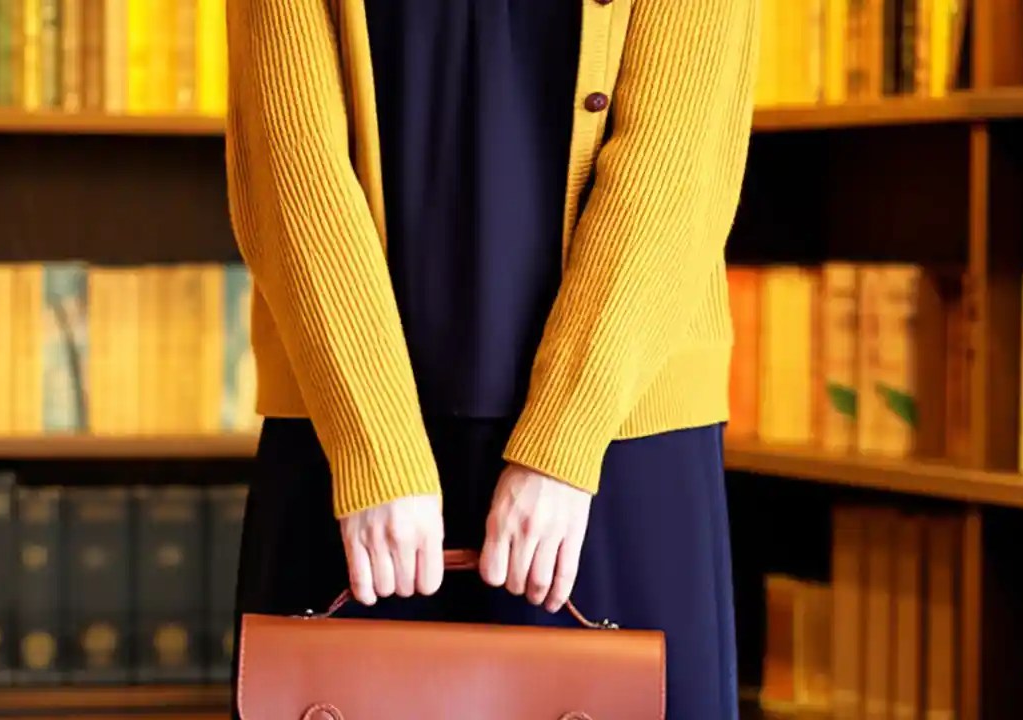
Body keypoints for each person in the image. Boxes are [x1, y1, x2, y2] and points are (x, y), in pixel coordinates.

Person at [222, 0, 758, 717]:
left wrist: (564, 440)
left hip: (623, 431)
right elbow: (287, 154)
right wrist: (374, 444)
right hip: (343, 432)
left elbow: (676, 156)